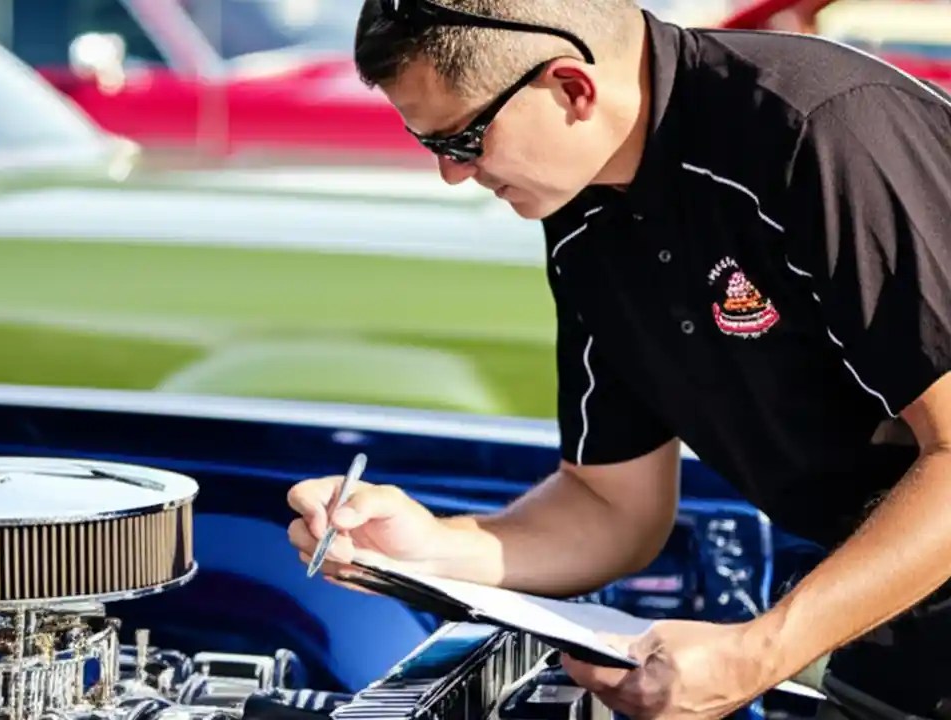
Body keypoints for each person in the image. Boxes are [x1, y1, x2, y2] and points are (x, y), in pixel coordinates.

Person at [284, 0, 951, 717]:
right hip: (899, 643)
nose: (454, 173)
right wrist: (428, 551)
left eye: (465, 138)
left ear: (572, 87)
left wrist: (759, 651)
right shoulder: (583, 207)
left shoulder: (820, 130)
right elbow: (612, 508)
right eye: (432, 145)